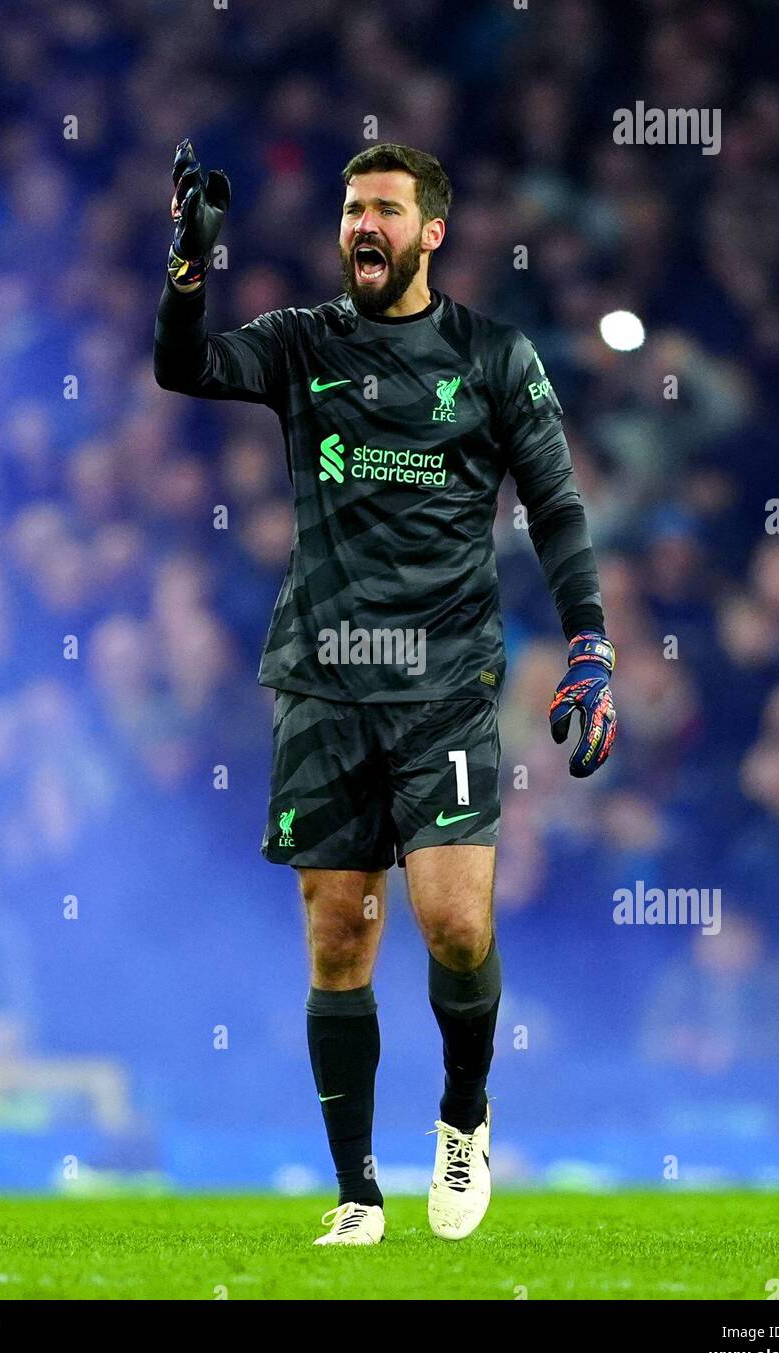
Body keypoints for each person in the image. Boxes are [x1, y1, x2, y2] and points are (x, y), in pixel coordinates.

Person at [153, 140, 616, 1245]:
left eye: (386, 213)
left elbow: (553, 506)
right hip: (321, 686)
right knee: (337, 943)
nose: (364, 228)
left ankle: (462, 1117)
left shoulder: (494, 357)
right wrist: (187, 267)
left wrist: (588, 643)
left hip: (445, 687)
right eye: (353, 210)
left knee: (455, 924)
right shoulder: (303, 341)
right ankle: (357, 1190)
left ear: (432, 233)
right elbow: (185, 368)